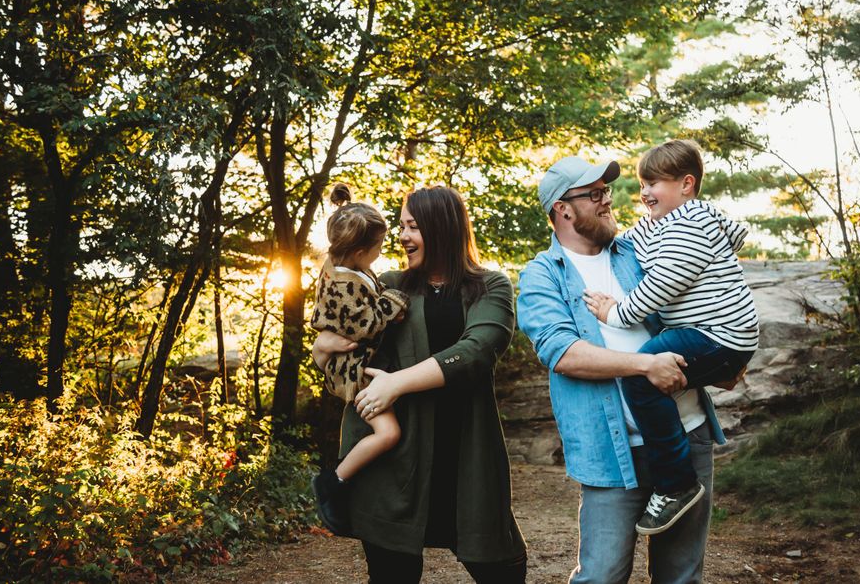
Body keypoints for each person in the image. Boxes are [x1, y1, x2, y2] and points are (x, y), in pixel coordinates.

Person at [516, 155, 728, 584]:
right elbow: (563, 353)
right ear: (563, 209)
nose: (607, 200)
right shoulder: (542, 275)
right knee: (601, 575)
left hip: (687, 433)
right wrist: (646, 365)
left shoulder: (639, 250)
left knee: (681, 576)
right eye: (594, 193)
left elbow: (701, 299)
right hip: (611, 451)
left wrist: (724, 359)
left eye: (606, 190)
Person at [311, 185, 527, 584]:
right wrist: (321, 350)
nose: (402, 236)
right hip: (396, 465)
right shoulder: (390, 287)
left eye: (412, 226)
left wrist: (397, 384)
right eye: (401, 227)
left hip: (465, 457)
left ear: (441, 226)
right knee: (391, 575)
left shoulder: (490, 286)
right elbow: (351, 356)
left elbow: (477, 350)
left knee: (503, 571)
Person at [581, 140, 757, 535]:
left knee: (643, 376)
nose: (644, 192)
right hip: (705, 334)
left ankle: (676, 483)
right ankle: (673, 475)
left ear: (686, 184)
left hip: (720, 335)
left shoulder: (692, 226)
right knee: (650, 370)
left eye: (654, 183)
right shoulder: (663, 223)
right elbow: (629, 242)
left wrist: (616, 313)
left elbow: (663, 284)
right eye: (643, 184)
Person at [310, 183, 410, 534]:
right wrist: (394, 302)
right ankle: (333, 482)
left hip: (358, 362)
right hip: (356, 369)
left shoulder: (345, 265)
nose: (382, 251)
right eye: (379, 246)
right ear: (359, 251)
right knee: (389, 433)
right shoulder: (343, 284)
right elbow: (363, 326)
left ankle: (342, 480)